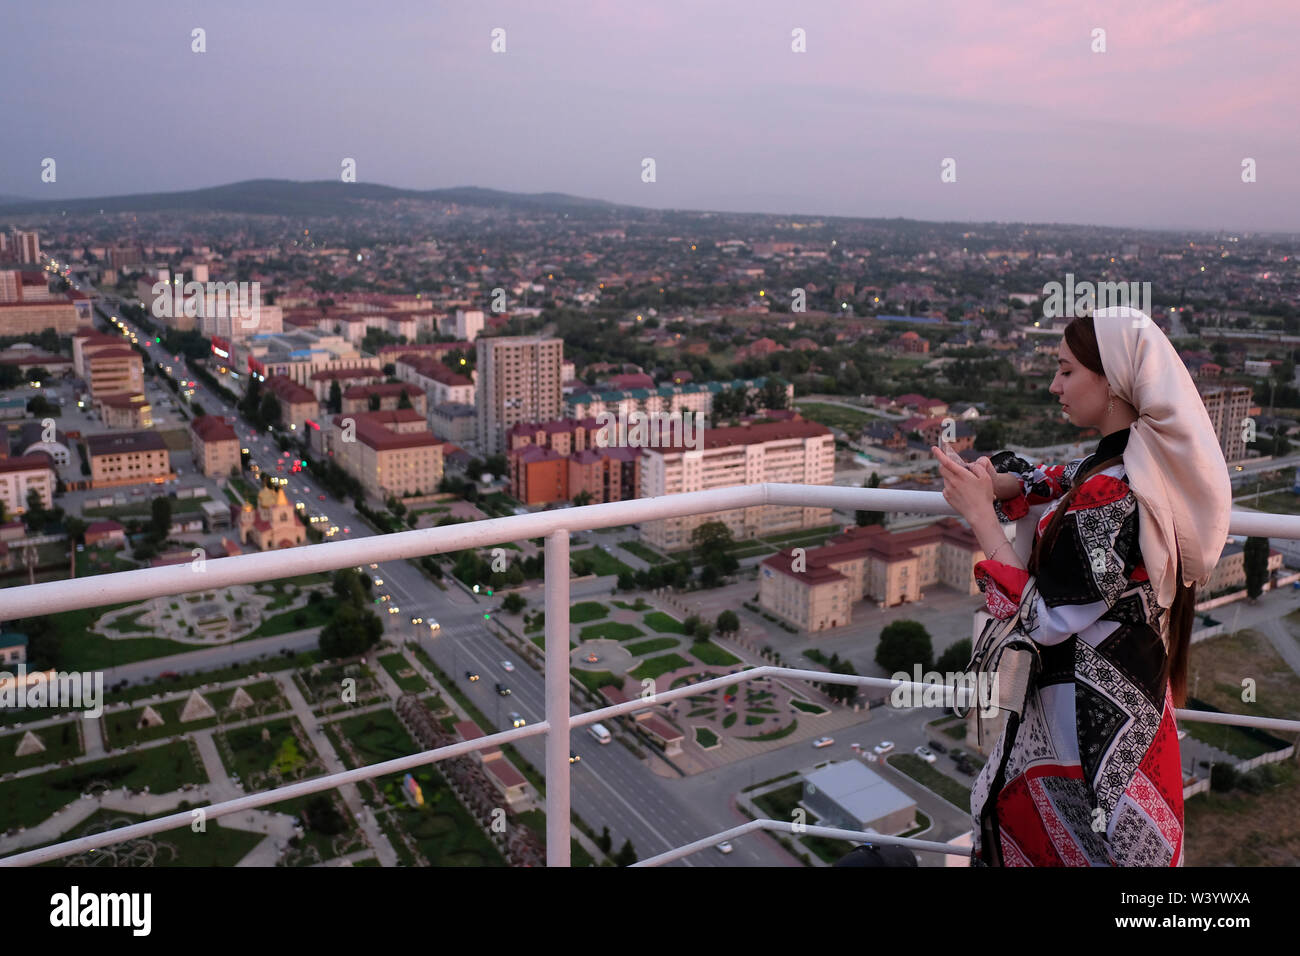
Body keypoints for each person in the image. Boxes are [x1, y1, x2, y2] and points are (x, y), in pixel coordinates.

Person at [930, 306, 1231, 867]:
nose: (1054, 385)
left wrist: (980, 516)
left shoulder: (1114, 494)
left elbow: (1041, 616)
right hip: (1121, 701)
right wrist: (1003, 482)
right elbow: (1062, 479)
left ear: (1112, 381)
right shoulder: (1132, 465)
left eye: (1067, 371)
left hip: (1088, 722)